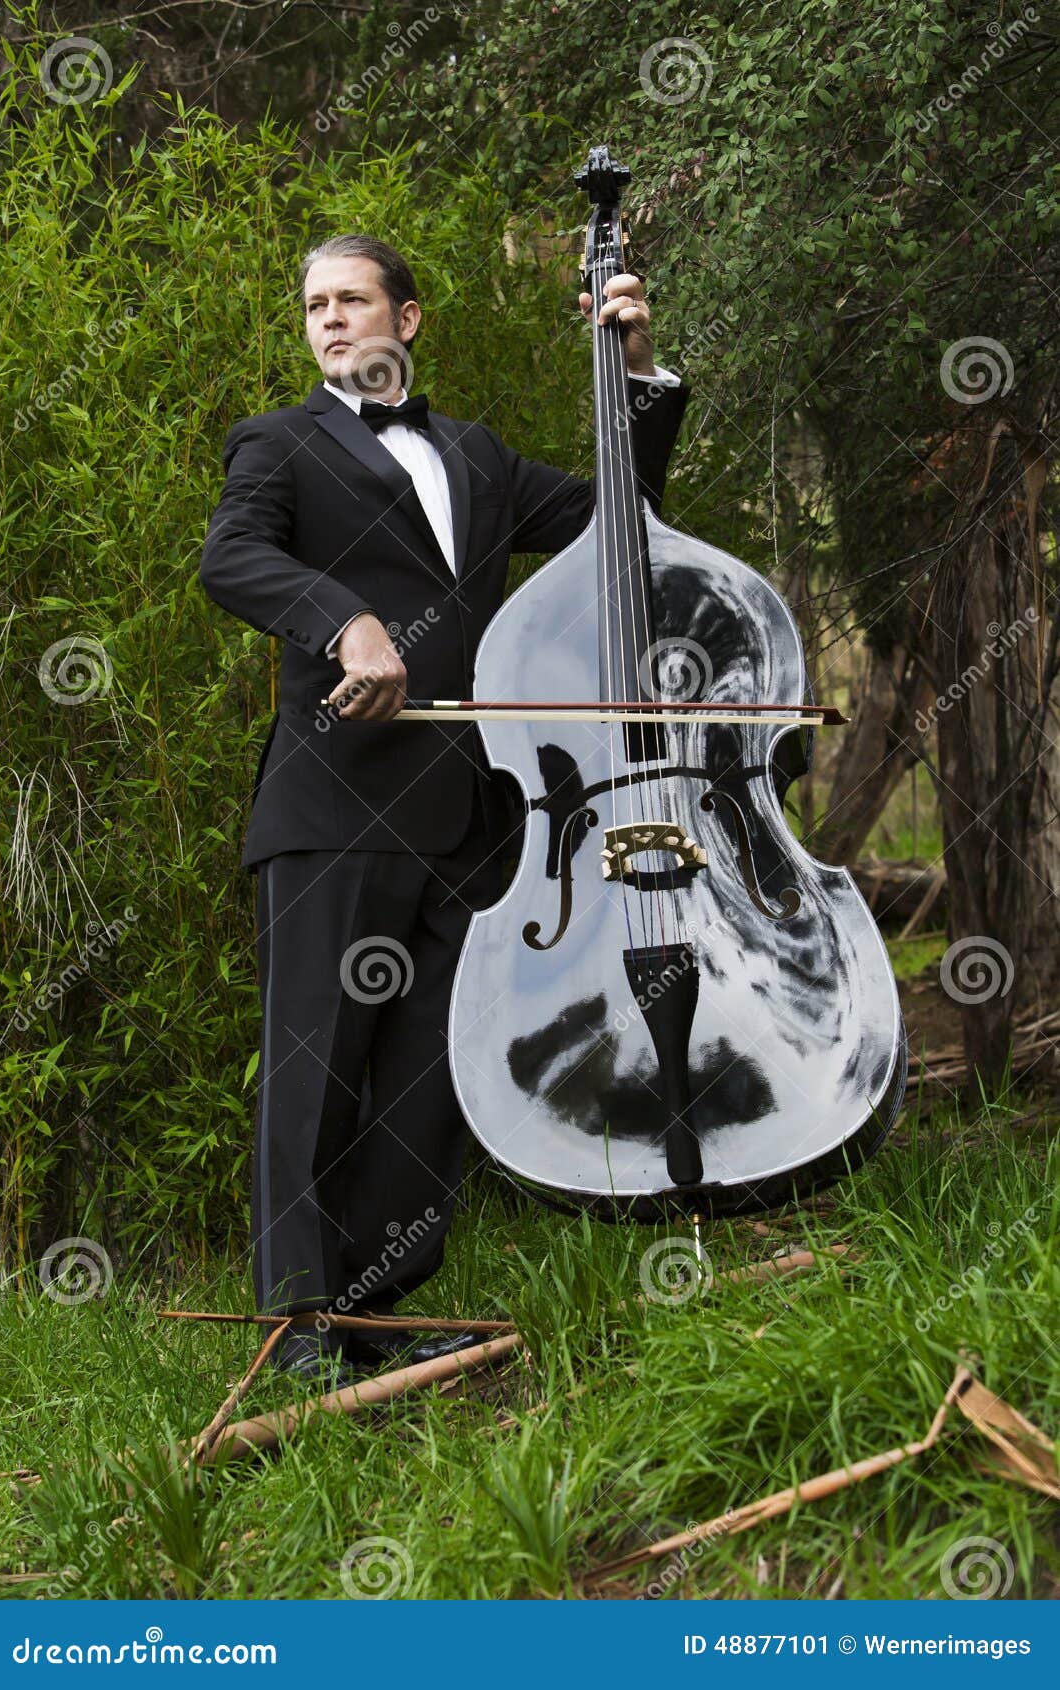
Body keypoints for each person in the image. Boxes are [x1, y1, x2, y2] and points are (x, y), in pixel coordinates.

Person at [198, 235, 689, 1387]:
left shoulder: (474, 456)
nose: (328, 319)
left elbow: (620, 520)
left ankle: (376, 1314)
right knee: (314, 1067)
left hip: (472, 817)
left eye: (351, 299)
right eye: (313, 302)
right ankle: (297, 1325)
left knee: (432, 1077)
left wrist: (635, 376)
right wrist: (343, 621)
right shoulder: (280, 444)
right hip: (332, 804)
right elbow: (232, 558)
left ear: (405, 320)